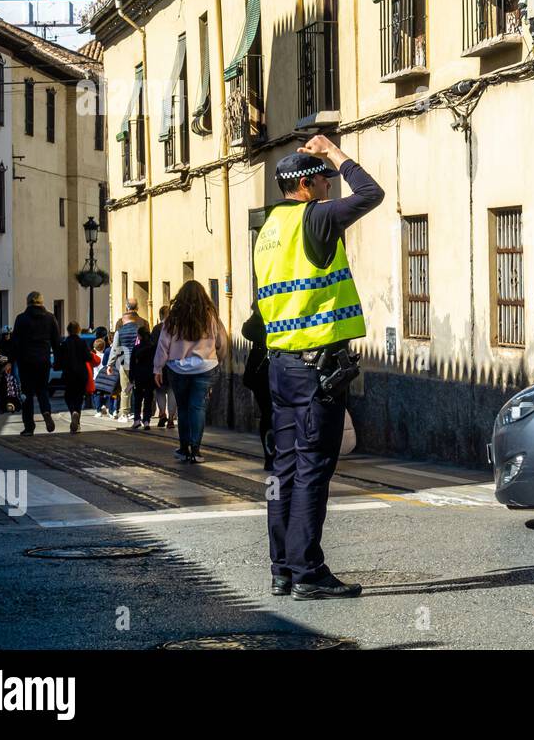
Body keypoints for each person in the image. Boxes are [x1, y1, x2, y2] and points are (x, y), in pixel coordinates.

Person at [253, 134, 382, 600]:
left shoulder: (269, 229)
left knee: (282, 469)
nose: (330, 187)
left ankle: (282, 569)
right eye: (324, 181)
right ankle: (308, 571)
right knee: (312, 468)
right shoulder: (316, 218)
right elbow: (371, 193)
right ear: (306, 184)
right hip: (314, 370)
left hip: (280, 367)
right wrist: (335, 153)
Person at [154, 281, 227, 464]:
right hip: (205, 367)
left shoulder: (173, 318)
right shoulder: (211, 317)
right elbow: (222, 342)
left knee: (184, 408)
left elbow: (163, 345)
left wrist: (157, 368)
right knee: (198, 407)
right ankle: (196, 450)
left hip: (178, 368)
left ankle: (184, 447)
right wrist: (219, 358)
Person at [11, 291, 60, 435]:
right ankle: (46, 411)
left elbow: (15, 342)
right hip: (43, 359)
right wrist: (57, 360)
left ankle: (29, 427)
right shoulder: (50, 318)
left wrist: (10, 360)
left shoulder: (21, 319)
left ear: (28, 302)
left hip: (26, 361)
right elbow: (56, 342)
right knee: (42, 389)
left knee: (26, 393)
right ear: (41, 301)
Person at [242, 302, 275, 471]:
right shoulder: (259, 315)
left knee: (269, 414)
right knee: (269, 413)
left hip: (267, 369)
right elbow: (247, 330)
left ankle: (273, 455)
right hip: (264, 370)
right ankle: (271, 455)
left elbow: (247, 330)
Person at [109, 300, 149, 425]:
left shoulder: (119, 329)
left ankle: (124, 413)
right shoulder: (142, 326)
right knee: (140, 388)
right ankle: (139, 413)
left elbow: (115, 348)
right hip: (140, 362)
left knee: (125, 389)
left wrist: (110, 364)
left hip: (124, 362)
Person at [58, 322, 93, 433]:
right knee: (79, 396)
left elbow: (60, 361)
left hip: (69, 374)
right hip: (81, 374)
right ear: (78, 330)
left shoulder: (65, 343)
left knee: (68, 396)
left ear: (68, 330)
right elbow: (88, 357)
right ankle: (77, 420)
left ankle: (73, 411)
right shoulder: (82, 342)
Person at [129, 325, 158, 431]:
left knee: (137, 398)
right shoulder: (153, 347)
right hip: (150, 375)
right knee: (148, 399)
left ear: (139, 336)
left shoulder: (136, 348)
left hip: (139, 376)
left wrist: (131, 378)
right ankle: (146, 420)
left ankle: (137, 419)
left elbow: (132, 364)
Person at [151, 305, 176, 428]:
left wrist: (156, 366)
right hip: (172, 364)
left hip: (160, 364)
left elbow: (154, 348)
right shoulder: (175, 328)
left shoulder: (156, 329)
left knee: (160, 390)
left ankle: (162, 413)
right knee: (172, 390)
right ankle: (171, 418)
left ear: (160, 316)